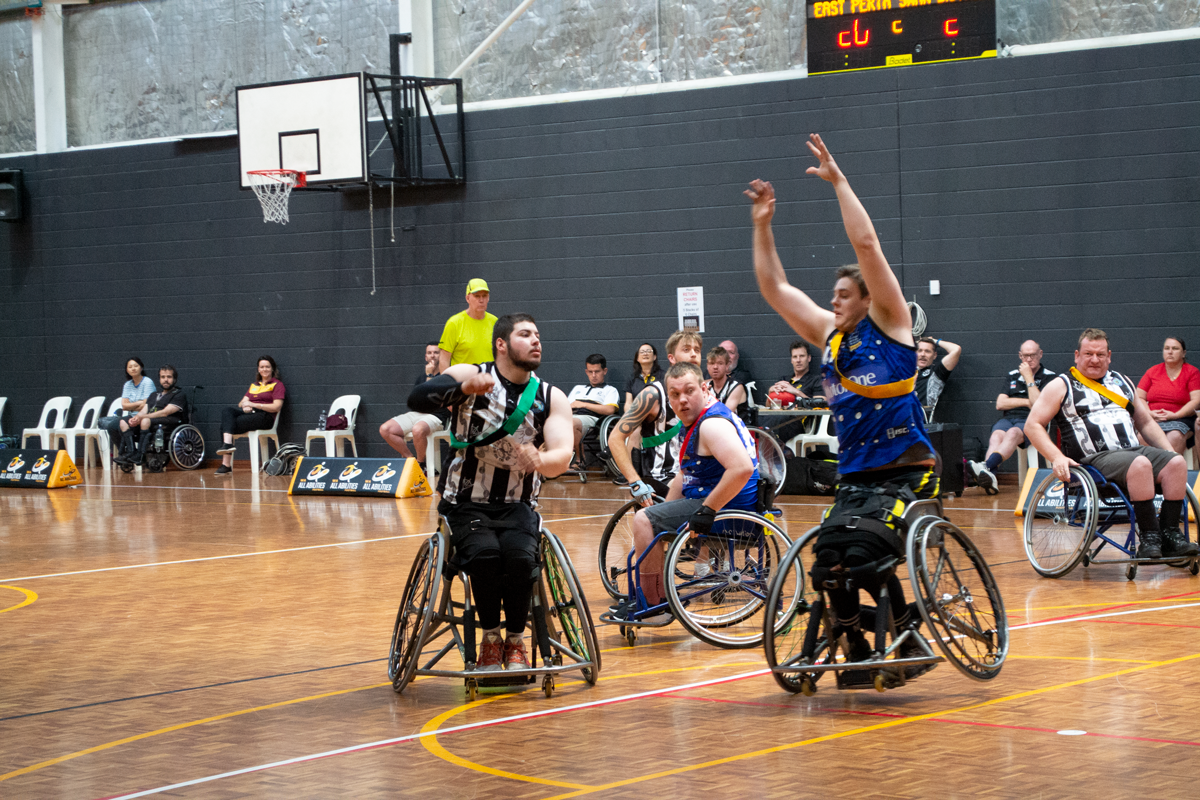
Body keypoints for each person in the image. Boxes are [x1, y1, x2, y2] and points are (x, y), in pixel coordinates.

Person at [746, 133, 939, 675]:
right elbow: (775, 288)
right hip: (855, 477)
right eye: (832, 294)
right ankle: (856, 651)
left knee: (861, 554)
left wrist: (840, 182)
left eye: (844, 293)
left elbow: (868, 248)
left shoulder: (893, 327)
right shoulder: (830, 337)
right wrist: (762, 224)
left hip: (905, 472)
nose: (834, 299)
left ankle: (908, 639)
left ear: (868, 299)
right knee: (827, 563)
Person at [406, 313, 574, 671]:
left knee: (518, 559)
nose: (536, 341)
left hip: (517, 504)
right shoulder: (472, 374)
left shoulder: (550, 396)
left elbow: (563, 455)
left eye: (538, 335)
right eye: (525, 334)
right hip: (466, 503)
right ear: (501, 344)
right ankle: (491, 639)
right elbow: (417, 399)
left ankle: (515, 642)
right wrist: (462, 390)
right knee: (485, 557)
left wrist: (541, 461)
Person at [1024, 329, 1198, 559]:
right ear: (1077, 355)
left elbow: (1145, 422)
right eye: (1088, 354)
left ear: (1109, 356)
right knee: (1140, 463)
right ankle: (1150, 538)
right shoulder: (1061, 385)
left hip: (1132, 452)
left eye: (1100, 354)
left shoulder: (1122, 382)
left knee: (1175, 462)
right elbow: (1032, 425)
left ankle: (1170, 535)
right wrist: (1056, 457)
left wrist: (1166, 452)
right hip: (1093, 460)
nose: (1094, 359)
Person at [610, 362, 759, 623]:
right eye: (675, 394)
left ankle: (653, 607)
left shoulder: (711, 425)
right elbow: (684, 475)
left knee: (643, 520)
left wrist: (708, 509)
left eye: (689, 391)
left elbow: (742, 469)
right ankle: (654, 596)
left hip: (730, 509)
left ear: (704, 388)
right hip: (719, 500)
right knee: (651, 518)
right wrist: (661, 512)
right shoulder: (694, 422)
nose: (683, 400)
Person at [608, 330, 704, 499]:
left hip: (696, 473)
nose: (694, 354)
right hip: (665, 479)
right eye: (687, 349)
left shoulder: (704, 393)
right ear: (672, 358)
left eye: (697, 350)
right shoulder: (653, 394)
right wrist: (635, 482)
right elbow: (615, 438)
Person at [968, 340, 1056, 494]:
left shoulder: (1050, 377)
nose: (1029, 359)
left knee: (1013, 433)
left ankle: (986, 467)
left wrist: (1029, 379)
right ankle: (991, 477)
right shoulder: (1012, 376)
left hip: (1032, 421)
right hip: (1008, 419)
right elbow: (1000, 403)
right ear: (1020, 356)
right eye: (1026, 356)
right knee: (996, 436)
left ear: (1040, 354)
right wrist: (1026, 401)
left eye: (1033, 355)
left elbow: (1038, 405)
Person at [214, 356, 285, 475]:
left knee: (226, 426)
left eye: (267, 367)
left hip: (265, 417)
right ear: (258, 369)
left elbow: (276, 406)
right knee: (227, 411)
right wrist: (245, 406)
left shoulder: (277, 385)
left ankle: (226, 463)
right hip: (251, 414)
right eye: (262, 367)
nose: (264, 369)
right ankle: (227, 444)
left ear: (272, 369)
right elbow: (242, 402)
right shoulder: (254, 385)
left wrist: (254, 404)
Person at [380, 341, 449, 461]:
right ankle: (411, 460)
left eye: (436, 353)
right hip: (417, 414)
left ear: (442, 355)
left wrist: (430, 376)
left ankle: (421, 464)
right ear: (425, 357)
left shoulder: (447, 376)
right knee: (385, 429)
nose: (432, 355)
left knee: (417, 429)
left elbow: (431, 402)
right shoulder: (421, 378)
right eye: (429, 353)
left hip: (436, 416)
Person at [1137, 337, 1200, 458]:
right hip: (1155, 418)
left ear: (1184, 353)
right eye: (1167, 348)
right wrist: (1149, 413)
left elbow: (1196, 401)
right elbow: (1139, 397)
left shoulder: (1192, 372)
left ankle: (1171, 472)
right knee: (1142, 437)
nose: (1170, 352)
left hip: (1182, 418)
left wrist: (1176, 415)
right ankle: (1151, 472)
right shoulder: (1152, 371)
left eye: (1175, 348)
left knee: (1174, 436)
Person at [113, 366, 187, 466]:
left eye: (169, 377)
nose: (165, 380)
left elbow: (165, 412)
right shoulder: (153, 395)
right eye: (163, 377)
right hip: (150, 421)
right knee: (123, 422)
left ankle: (140, 455)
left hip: (169, 421)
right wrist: (137, 417)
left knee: (145, 420)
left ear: (174, 379)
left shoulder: (179, 394)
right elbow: (144, 411)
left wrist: (143, 418)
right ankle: (131, 453)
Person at [566, 354, 620, 463]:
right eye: (590, 372)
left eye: (597, 371)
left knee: (572, 423)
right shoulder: (578, 388)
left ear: (604, 371)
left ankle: (579, 460)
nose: (594, 375)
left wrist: (583, 404)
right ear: (586, 372)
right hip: (571, 415)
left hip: (592, 419)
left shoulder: (610, 390)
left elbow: (610, 410)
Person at [438, 279, 498, 372]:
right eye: (477, 296)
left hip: (490, 384)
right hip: (463, 384)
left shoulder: (495, 322)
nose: (481, 300)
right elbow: (444, 360)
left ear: (488, 298)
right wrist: (447, 385)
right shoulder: (454, 323)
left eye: (484, 296)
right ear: (468, 298)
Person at [98, 357, 156, 445]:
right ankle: (127, 452)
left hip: (145, 417)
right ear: (127, 370)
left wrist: (132, 406)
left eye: (136, 366)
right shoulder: (127, 384)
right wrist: (139, 402)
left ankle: (134, 453)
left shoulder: (148, 382)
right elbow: (124, 406)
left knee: (125, 426)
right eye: (130, 367)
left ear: (141, 367)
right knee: (112, 427)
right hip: (131, 416)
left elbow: (146, 405)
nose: (133, 368)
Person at [914, 336, 962, 418]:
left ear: (934, 355)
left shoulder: (936, 372)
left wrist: (934, 341)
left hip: (922, 422)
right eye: (919, 350)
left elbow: (956, 349)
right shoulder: (904, 372)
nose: (923, 354)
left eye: (927, 351)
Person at [705, 346, 747, 419]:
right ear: (707, 366)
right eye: (711, 363)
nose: (715, 367)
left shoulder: (736, 387)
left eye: (720, 363)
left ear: (727, 366)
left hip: (735, 428)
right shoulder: (706, 386)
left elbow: (724, 415)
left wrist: (707, 399)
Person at [624, 343, 663, 407]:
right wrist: (630, 416)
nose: (645, 354)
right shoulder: (632, 378)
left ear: (654, 357)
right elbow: (628, 403)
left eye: (648, 351)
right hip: (637, 415)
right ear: (637, 359)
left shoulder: (663, 376)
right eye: (642, 352)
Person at [719, 339, 756, 405]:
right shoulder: (707, 374)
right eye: (723, 352)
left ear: (737, 356)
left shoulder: (743, 375)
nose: (727, 356)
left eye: (731, 352)